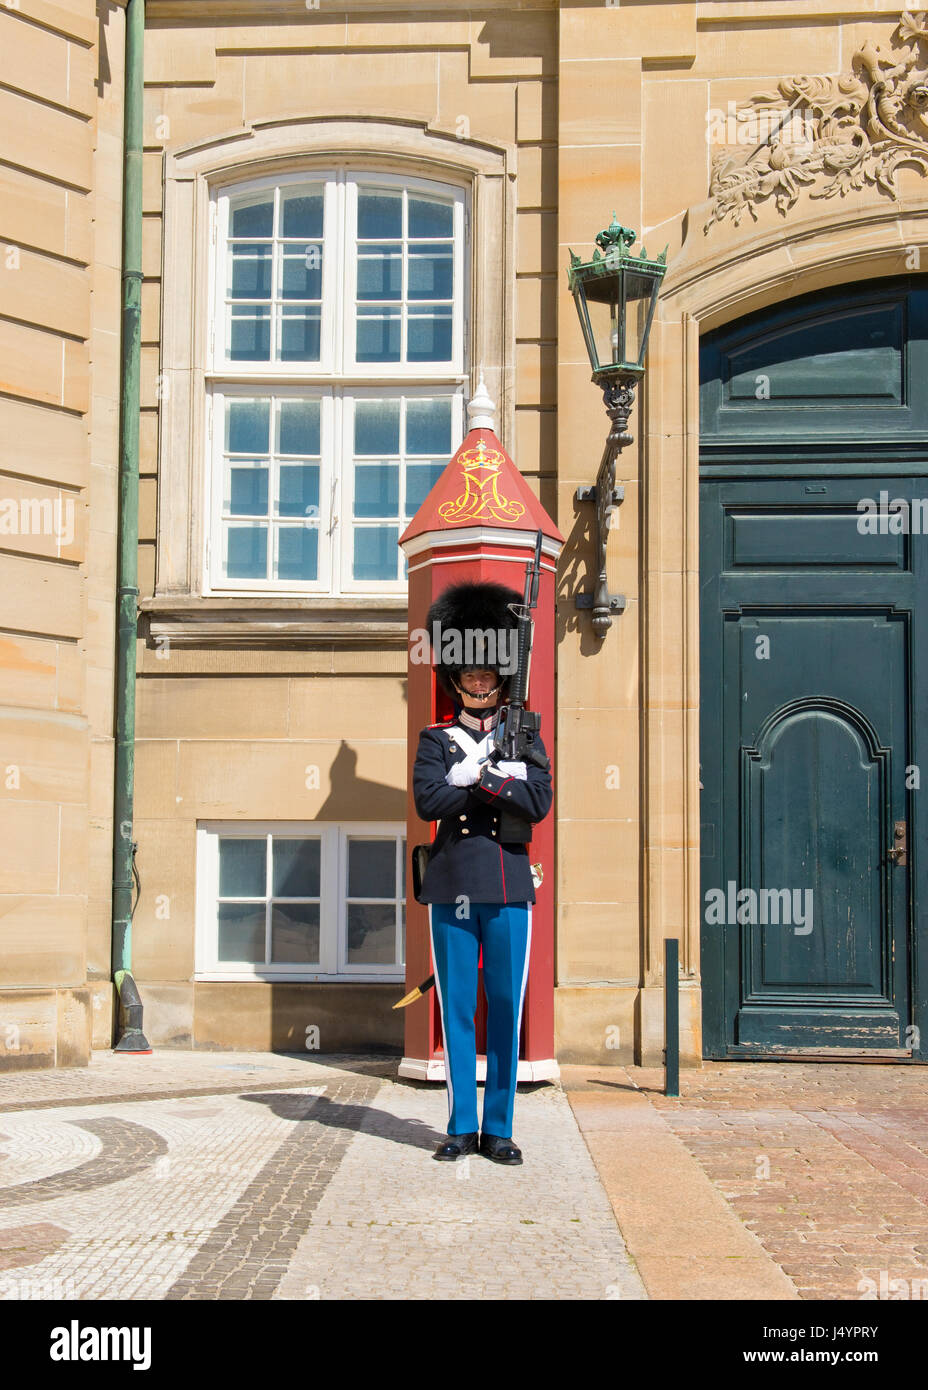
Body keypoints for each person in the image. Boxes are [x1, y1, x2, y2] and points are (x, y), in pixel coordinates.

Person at [412, 581, 552, 1165]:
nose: (477, 681)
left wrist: (494, 776)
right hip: (452, 884)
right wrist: (469, 778)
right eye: (468, 673)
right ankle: (460, 1125)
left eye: (487, 674)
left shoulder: (525, 734)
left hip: (507, 886)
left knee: (504, 1006)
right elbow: (428, 801)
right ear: (454, 677)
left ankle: (499, 1127)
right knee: (459, 1009)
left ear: (500, 677)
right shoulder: (436, 739)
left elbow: (538, 802)